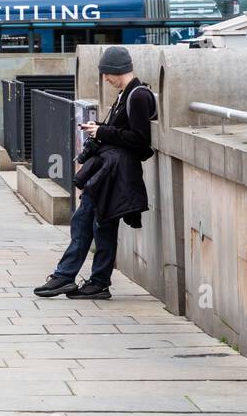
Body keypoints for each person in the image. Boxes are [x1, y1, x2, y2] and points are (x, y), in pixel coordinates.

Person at [35, 46, 157, 301]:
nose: (105, 79)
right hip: (110, 172)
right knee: (93, 223)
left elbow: (140, 140)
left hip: (116, 175)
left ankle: (77, 278)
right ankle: (80, 279)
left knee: (98, 224)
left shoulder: (138, 96)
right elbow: (125, 133)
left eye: (106, 74)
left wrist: (102, 132)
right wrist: (100, 128)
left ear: (116, 70)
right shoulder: (127, 94)